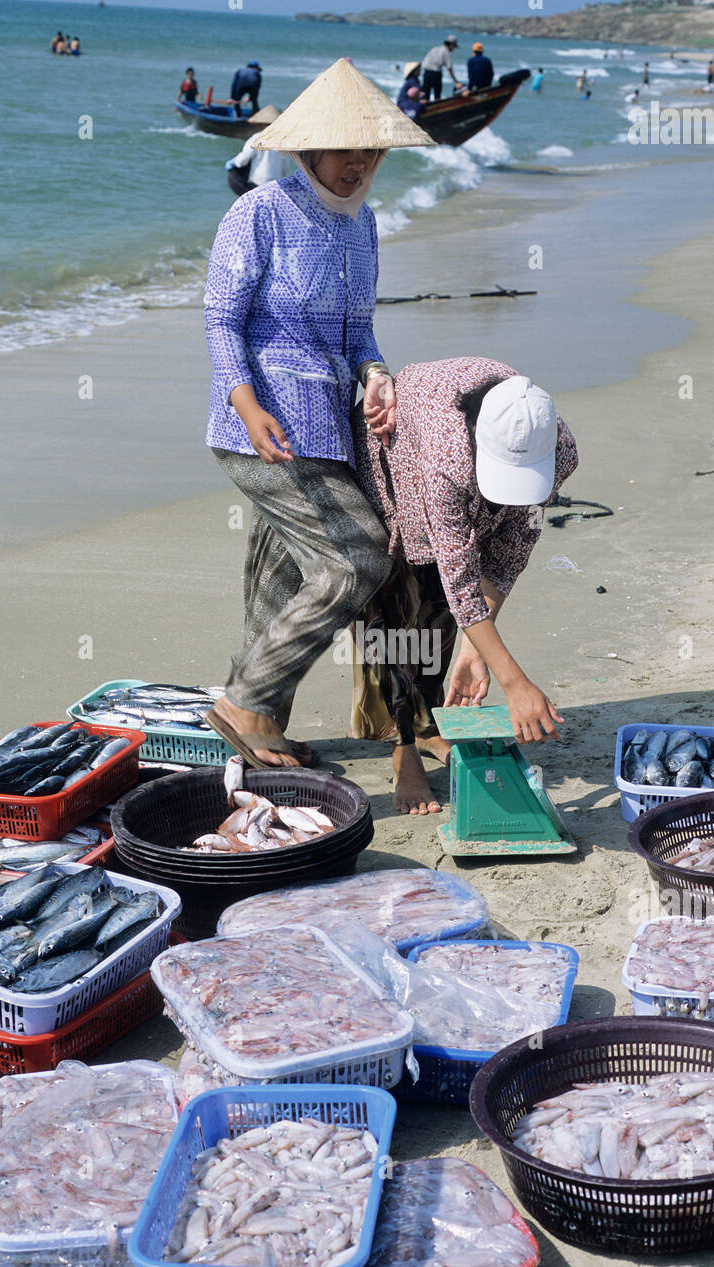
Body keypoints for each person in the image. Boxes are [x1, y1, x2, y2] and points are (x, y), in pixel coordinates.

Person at [202, 60, 434, 769]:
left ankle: (263, 723)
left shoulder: (364, 228)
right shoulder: (260, 213)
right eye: (342, 150)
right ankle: (243, 702)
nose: (356, 163)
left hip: (331, 427)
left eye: (368, 152)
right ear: (305, 152)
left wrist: (374, 373)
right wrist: (245, 402)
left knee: (280, 579)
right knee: (358, 555)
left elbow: (359, 332)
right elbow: (220, 318)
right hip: (262, 426)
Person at [350, 359, 579, 815]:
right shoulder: (445, 460)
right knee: (391, 611)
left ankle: (427, 720)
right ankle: (404, 748)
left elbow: (512, 547)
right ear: (476, 440)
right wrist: (515, 682)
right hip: (394, 460)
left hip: (444, 464)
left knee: (439, 607)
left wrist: (478, 651)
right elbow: (462, 584)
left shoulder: (559, 448)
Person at [225, 108, 288, 197]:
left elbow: (243, 159)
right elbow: (284, 168)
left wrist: (233, 162)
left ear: (260, 125)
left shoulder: (256, 138)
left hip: (258, 183)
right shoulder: (282, 141)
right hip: (275, 185)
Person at [420, 35, 460, 102]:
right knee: (437, 97)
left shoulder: (435, 48)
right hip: (436, 75)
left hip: (426, 74)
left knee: (426, 96)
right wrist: (456, 82)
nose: (453, 49)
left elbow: (425, 62)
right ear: (451, 45)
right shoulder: (446, 52)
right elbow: (449, 69)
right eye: (454, 47)